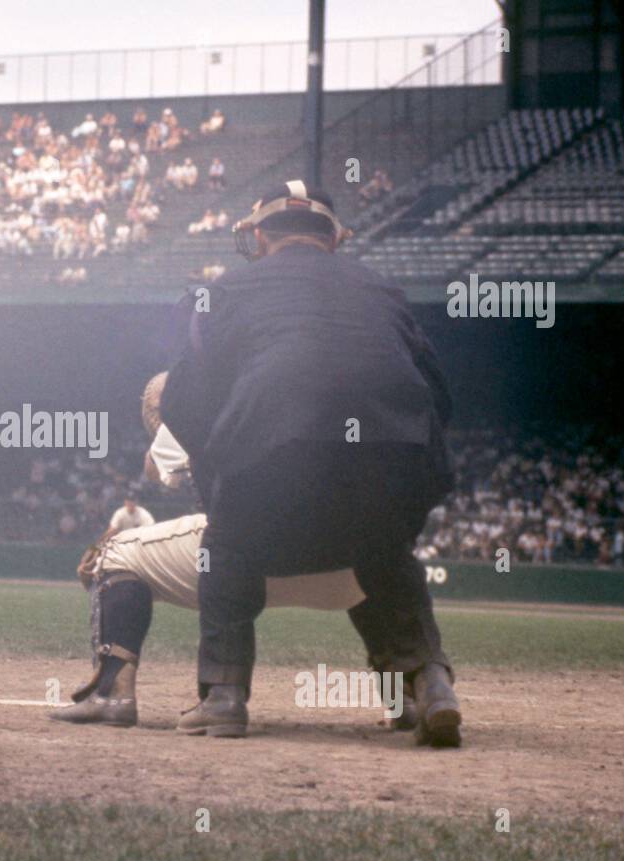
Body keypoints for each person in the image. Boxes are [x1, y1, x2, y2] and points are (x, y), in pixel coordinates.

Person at [160, 180, 461, 746]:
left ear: (258, 235)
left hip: (274, 457)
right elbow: (439, 394)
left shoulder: (225, 289)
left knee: (226, 547)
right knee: (387, 555)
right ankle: (432, 684)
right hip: (395, 459)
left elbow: (181, 399)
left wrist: (219, 469)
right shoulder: (381, 290)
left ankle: (223, 696)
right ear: (334, 237)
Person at [54, 373, 366, 728]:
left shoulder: (202, 400)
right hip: (354, 574)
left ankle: (117, 694)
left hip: (242, 564)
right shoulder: (324, 388)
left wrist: (164, 418)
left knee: (113, 552)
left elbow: (154, 470)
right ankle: (416, 692)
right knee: (386, 544)